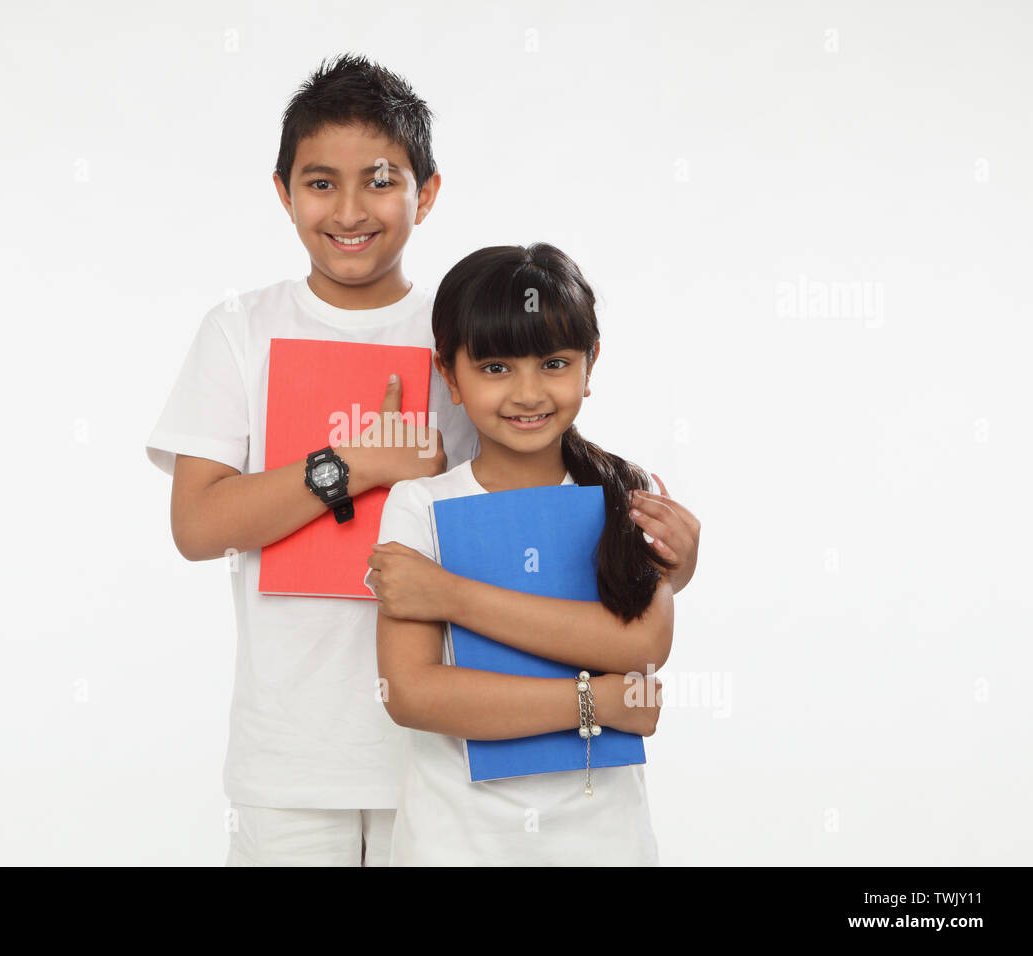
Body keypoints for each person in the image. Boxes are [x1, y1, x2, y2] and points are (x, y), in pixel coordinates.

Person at [146, 55, 701, 866]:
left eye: (378, 181)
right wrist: (357, 465)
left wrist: (669, 567)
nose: (349, 210)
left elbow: (545, 512)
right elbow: (198, 525)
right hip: (297, 748)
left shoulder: (470, 327)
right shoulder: (240, 329)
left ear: (426, 192)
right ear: (281, 191)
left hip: (468, 751)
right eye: (319, 183)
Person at [366, 242, 700, 865]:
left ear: (589, 363)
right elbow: (410, 693)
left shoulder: (629, 493)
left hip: (602, 839)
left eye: (553, 362)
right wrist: (595, 702)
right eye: (495, 367)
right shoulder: (419, 504)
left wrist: (450, 595)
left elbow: (640, 646)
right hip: (456, 841)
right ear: (450, 374)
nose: (527, 393)